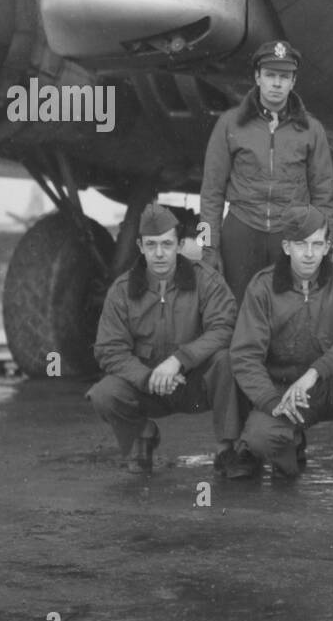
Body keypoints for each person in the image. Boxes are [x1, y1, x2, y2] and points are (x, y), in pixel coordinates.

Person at [228, 205, 333, 488]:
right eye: (301, 245)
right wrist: (272, 402)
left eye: (317, 244)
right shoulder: (262, 288)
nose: (309, 253)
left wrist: (316, 372)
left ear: (327, 246)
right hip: (286, 393)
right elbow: (245, 355)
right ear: (286, 247)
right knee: (260, 440)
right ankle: (290, 443)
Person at [87, 203, 240, 475]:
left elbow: (225, 328)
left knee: (227, 361)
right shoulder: (121, 291)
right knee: (104, 394)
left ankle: (228, 448)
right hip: (148, 386)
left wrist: (180, 360)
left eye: (167, 244)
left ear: (180, 245)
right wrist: (147, 378)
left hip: (194, 384)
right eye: (151, 244)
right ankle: (141, 435)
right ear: (140, 246)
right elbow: (109, 349)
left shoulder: (207, 281)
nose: (159, 253)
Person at [200, 39, 333, 304]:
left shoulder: (312, 130)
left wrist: (324, 248)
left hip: (290, 233)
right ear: (257, 77)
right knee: (237, 312)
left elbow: (324, 195)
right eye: (270, 75)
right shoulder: (230, 124)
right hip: (241, 230)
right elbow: (211, 192)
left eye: (284, 77)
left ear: (293, 81)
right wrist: (208, 244)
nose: (276, 83)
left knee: (287, 311)